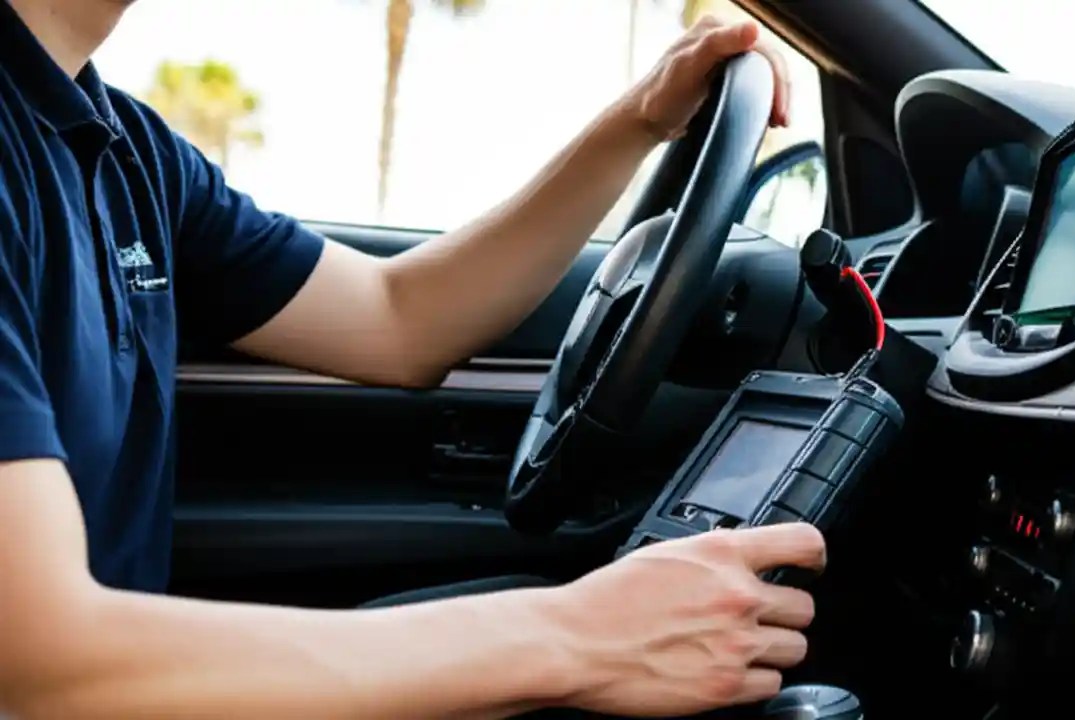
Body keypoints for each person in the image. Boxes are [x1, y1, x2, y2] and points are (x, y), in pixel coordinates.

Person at [0, 0, 829, 717]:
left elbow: (400, 320)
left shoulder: (122, 146)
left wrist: (641, 119)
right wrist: (581, 637)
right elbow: (41, 663)